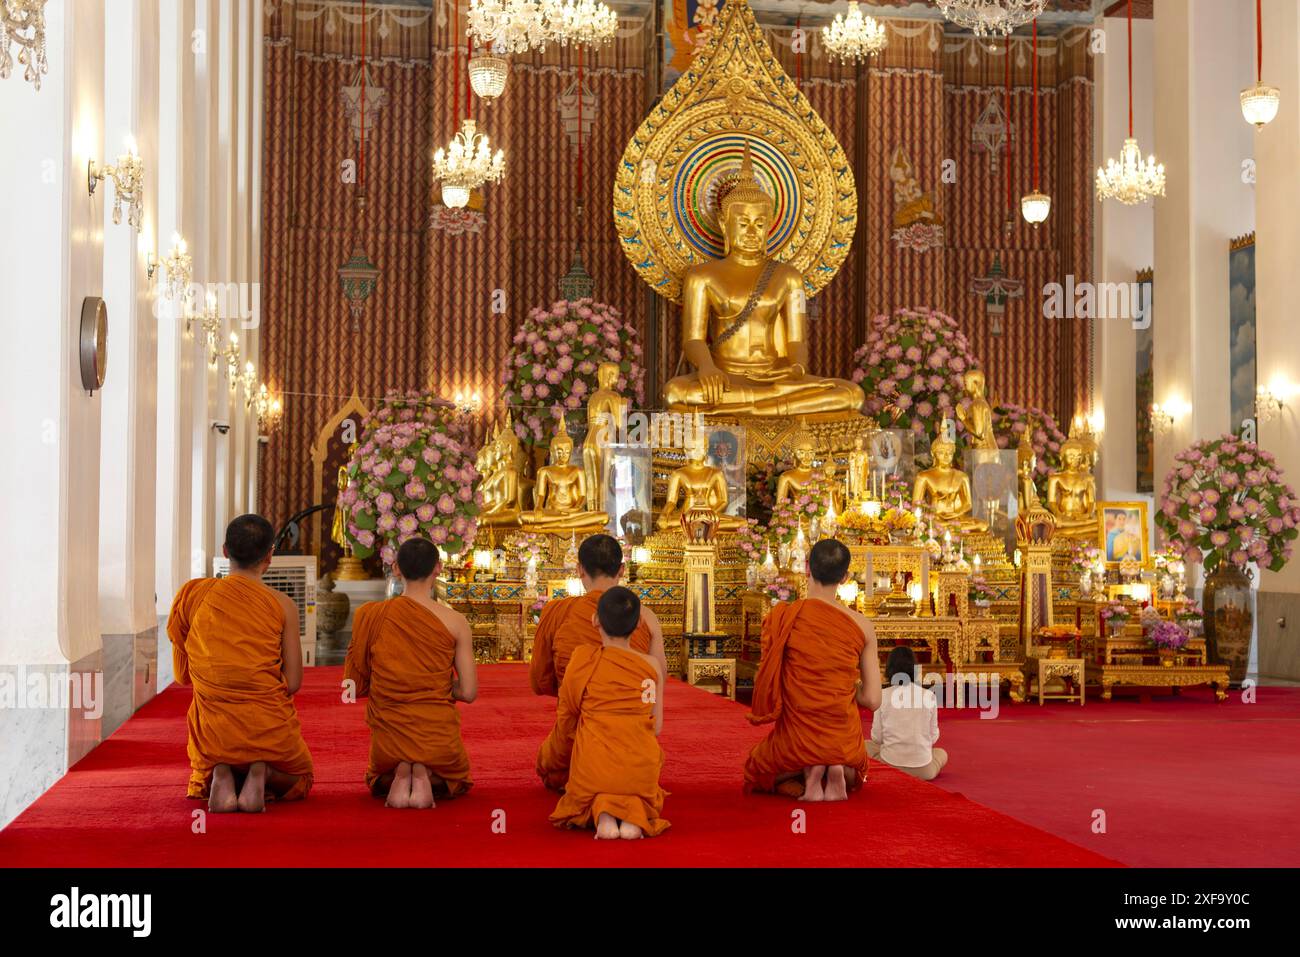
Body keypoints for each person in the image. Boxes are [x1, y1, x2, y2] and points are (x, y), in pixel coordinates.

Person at [167, 514, 314, 812]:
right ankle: (264, 771)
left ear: (224, 551)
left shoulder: (192, 596)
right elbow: (294, 682)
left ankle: (223, 769)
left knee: (216, 746)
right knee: (300, 777)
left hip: (214, 733)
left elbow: (183, 676)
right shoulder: (282, 604)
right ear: (270, 556)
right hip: (269, 729)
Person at [744, 538, 881, 801]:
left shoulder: (782, 617)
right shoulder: (862, 625)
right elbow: (873, 700)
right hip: (843, 742)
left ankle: (810, 771)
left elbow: (773, 677)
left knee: (757, 770)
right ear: (845, 578)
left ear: (807, 569)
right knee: (857, 771)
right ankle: (834, 768)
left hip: (796, 739)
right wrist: (845, 686)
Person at [345, 538, 476, 808]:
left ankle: (400, 770)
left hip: (388, 743)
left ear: (396, 569)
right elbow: (469, 692)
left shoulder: (372, 615)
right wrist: (438, 683)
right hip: (438, 742)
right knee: (454, 777)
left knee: (379, 776)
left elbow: (357, 682)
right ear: (438, 568)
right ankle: (425, 772)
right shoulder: (456, 622)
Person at [544, 587, 670, 839]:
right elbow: (656, 728)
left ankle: (603, 814)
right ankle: (632, 817)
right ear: (638, 626)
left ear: (595, 620)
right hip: (640, 770)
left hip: (593, 768)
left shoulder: (582, 659)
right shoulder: (651, 665)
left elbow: (568, 712)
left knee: (597, 767)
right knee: (634, 778)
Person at [530, 533, 667, 698]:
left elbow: (540, 680)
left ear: (580, 570)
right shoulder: (646, 616)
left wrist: (578, 693)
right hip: (629, 717)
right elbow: (656, 679)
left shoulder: (558, 610)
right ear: (622, 570)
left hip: (578, 717)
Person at [868, 647, 947, 782]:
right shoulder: (928, 696)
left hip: (890, 765)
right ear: (914, 669)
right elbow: (933, 737)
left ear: (888, 669)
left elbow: (877, 738)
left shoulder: (883, 696)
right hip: (924, 770)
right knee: (941, 753)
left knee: (864, 746)